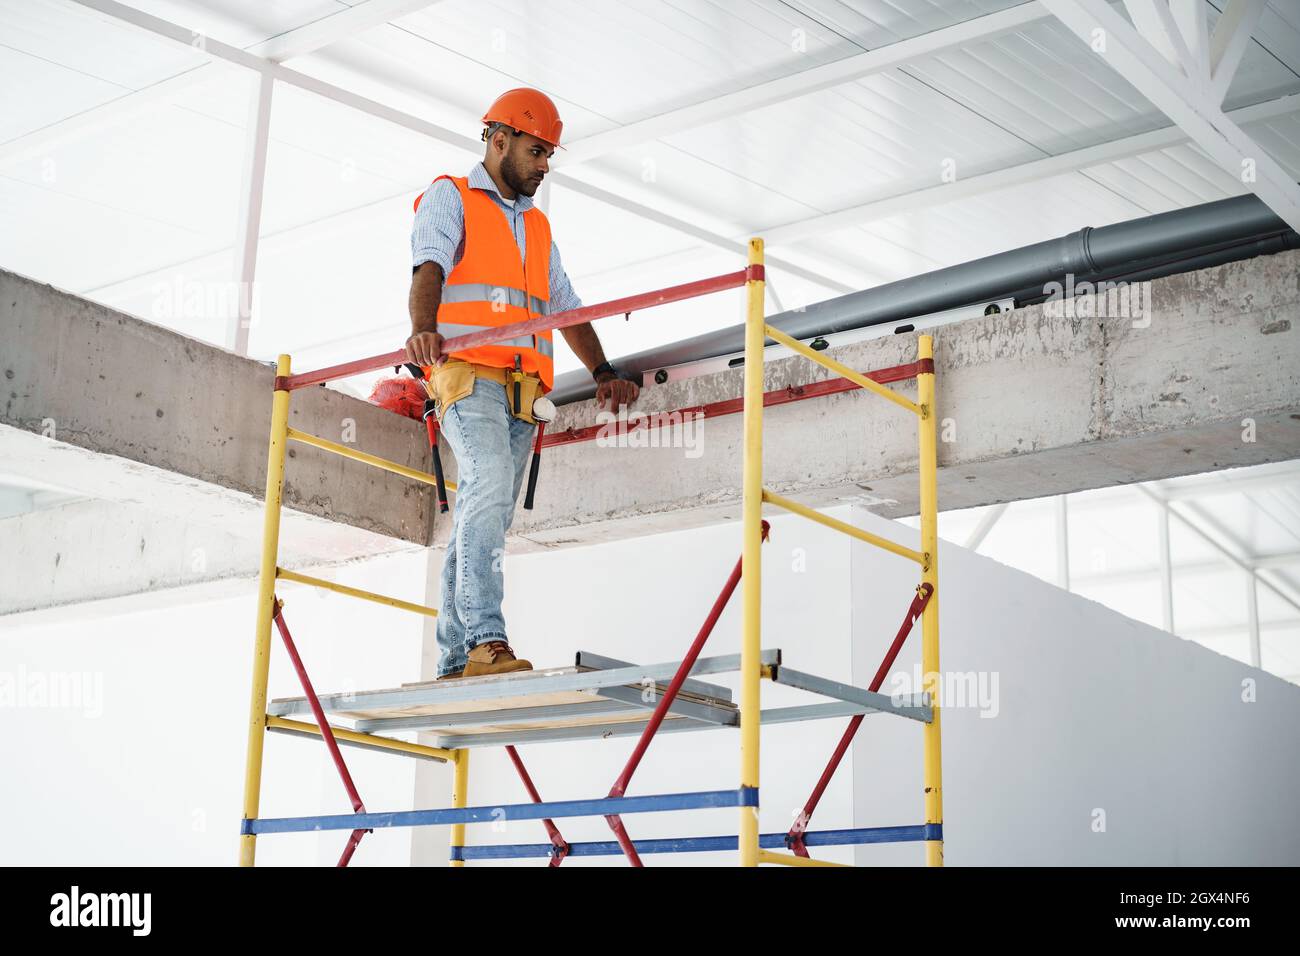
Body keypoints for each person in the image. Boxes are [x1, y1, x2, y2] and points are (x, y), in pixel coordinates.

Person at [406, 88, 639, 680]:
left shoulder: (536, 228)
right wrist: (423, 330)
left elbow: (564, 306)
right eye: (537, 152)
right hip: (467, 379)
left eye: (549, 156)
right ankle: (487, 639)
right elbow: (428, 265)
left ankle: (458, 658)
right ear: (500, 140)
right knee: (486, 481)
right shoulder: (450, 197)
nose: (544, 166)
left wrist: (603, 371)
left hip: (524, 395)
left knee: (485, 512)